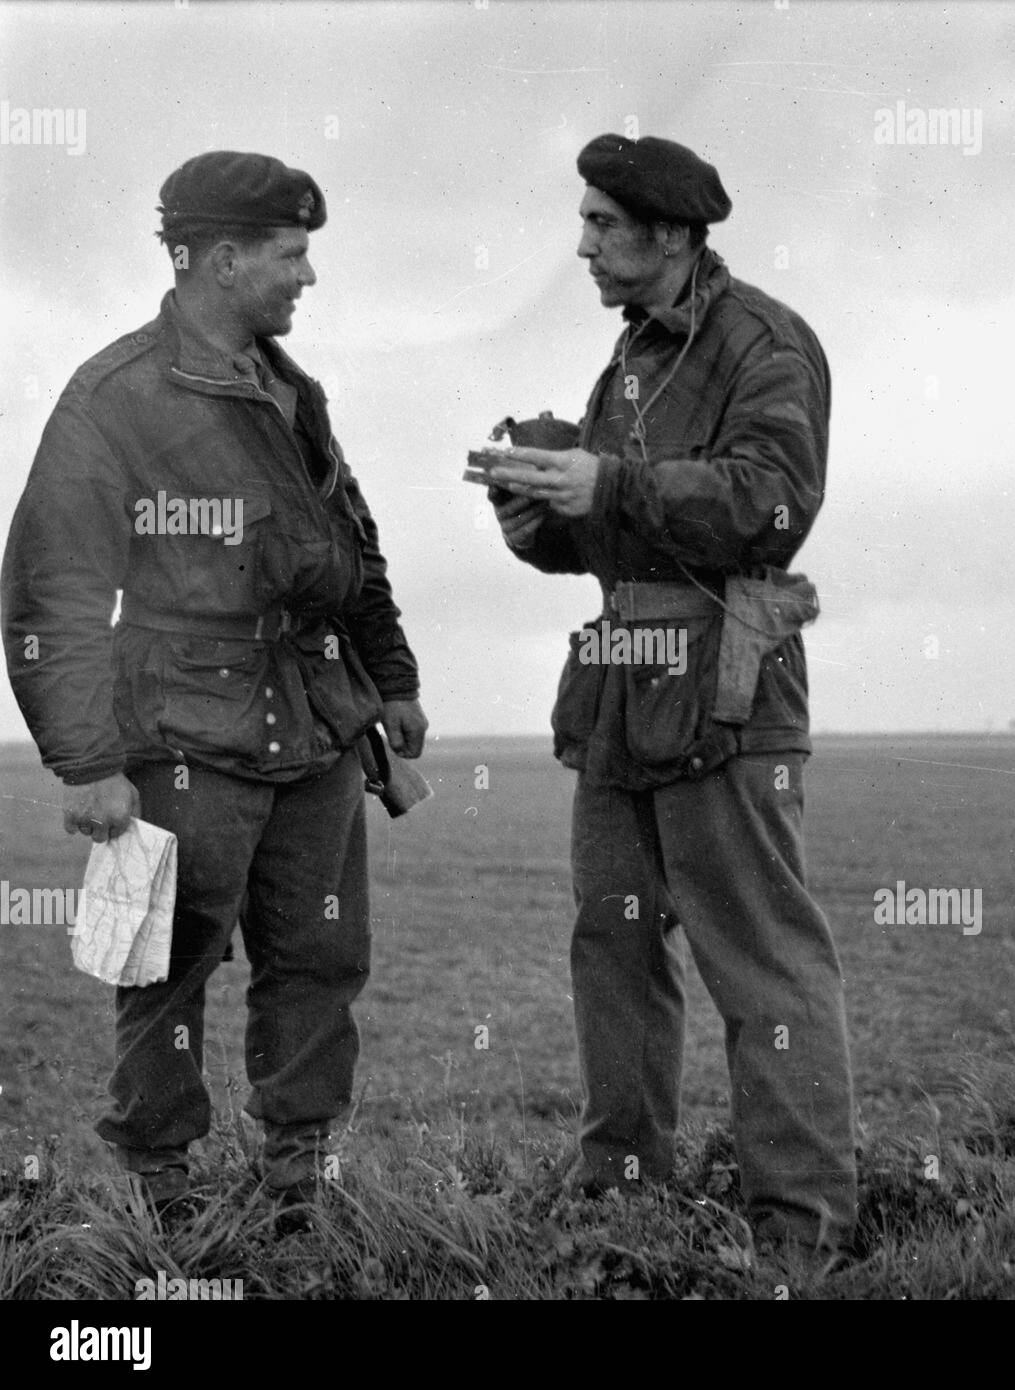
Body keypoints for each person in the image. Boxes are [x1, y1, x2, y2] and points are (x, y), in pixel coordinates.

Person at [1, 151, 427, 1214]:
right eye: (291, 256)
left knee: (321, 960)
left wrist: (394, 677)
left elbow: (350, 547)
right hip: (183, 732)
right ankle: (165, 1195)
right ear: (224, 259)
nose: (307, 278)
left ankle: (300, 1187)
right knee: (164, 967)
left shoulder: (294, 389)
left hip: (319, 722)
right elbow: (53, 589)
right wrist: (89, 761)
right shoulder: (115, 396)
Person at [487, 133, 857, 1259]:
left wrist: (614, 481)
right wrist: (540, 516)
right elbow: (622, 533)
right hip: (618, 693)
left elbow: (774, 504)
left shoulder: (763, 342)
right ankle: (622, 1191)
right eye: (585, 220)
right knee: (614, 944)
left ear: (675, 233)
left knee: (761, 958)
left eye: (605, 224)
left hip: (726, 697)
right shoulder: (633, 356)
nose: (585, 243)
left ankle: (802, 1229)